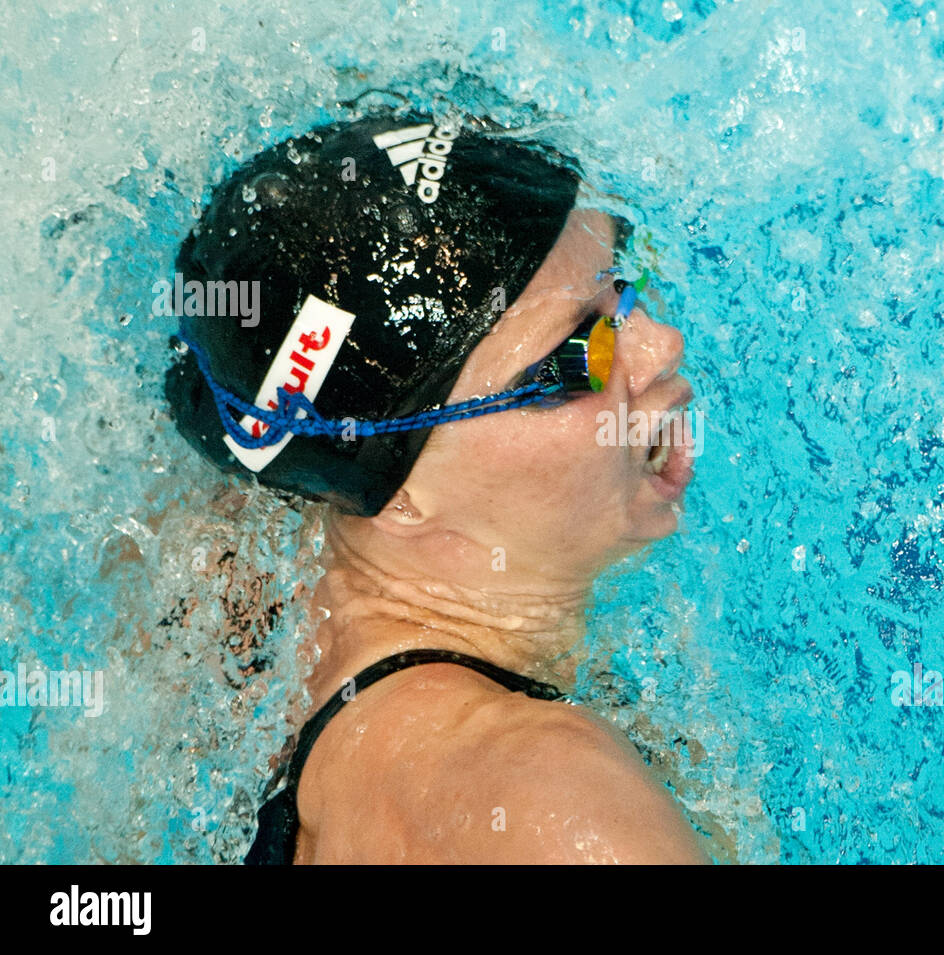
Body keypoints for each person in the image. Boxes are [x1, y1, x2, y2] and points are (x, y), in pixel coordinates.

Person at [164, 111, 707, 863]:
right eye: (583, 352)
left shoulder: (231, 607)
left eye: (624, 285)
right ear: (404, 494)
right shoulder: (561, 811)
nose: (660, 344)